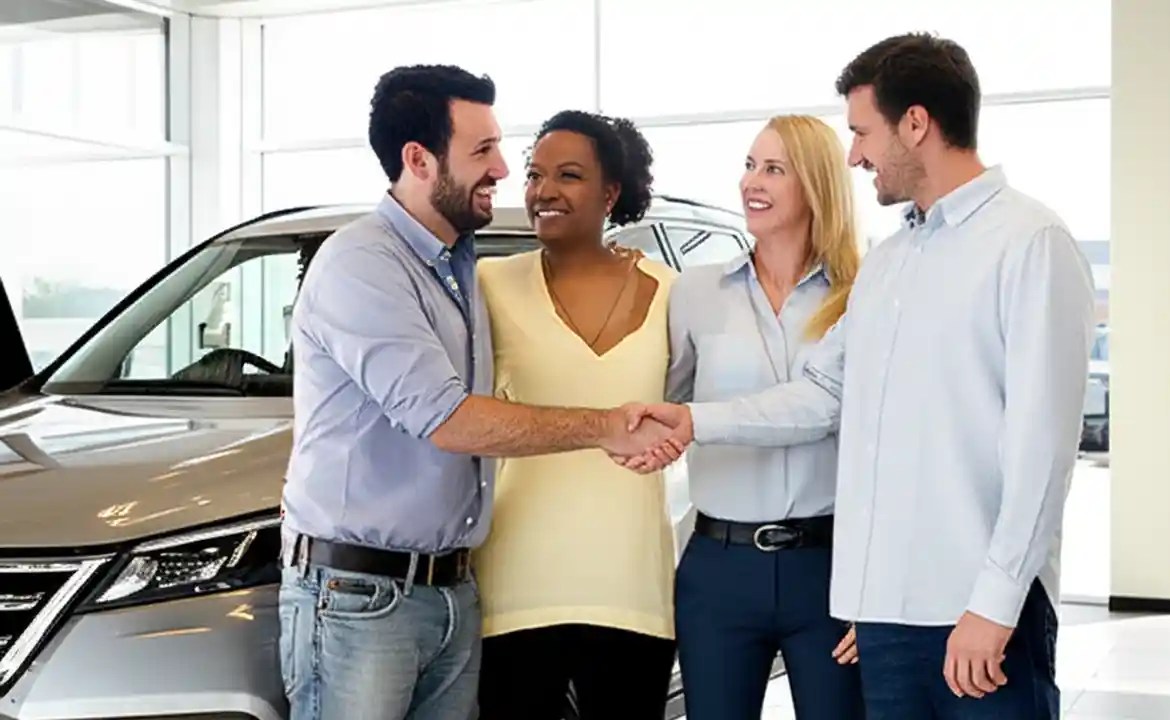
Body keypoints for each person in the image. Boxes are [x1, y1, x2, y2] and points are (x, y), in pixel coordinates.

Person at [623, 33, 1095, 720]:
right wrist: (695, 420)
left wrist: (993, 608)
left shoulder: (1028, 243)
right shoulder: (889, 262)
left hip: (978, 611)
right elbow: (824, 394)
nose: (855, 156)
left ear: (916, 123)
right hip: (888, 619)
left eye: (862, 132)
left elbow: (1044, 449)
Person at [278, 65, 680, 720]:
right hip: (359, 597)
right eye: (484, 152)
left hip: (453, 593)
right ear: (419, 159)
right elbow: (448, 419)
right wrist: (606, 425)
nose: (502, 172)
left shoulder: (459, 269)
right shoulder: (364, 263)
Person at [471, 110, 679, 720]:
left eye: (568, 175)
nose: (543, 191)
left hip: (632, 586)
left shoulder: (672, 292)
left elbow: (696, 415)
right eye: (534, 176)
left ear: (611, 191)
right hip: (516, 586)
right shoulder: (490, 284)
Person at [663, 114, 865, 720]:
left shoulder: (864, 292)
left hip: (827, 567)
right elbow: (666, 404)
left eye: (774, 169)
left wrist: (871, 585)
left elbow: (871, 433)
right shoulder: (694, 291)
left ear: (817, 185)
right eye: (750, 165)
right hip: (719, 569)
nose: (752, 181)